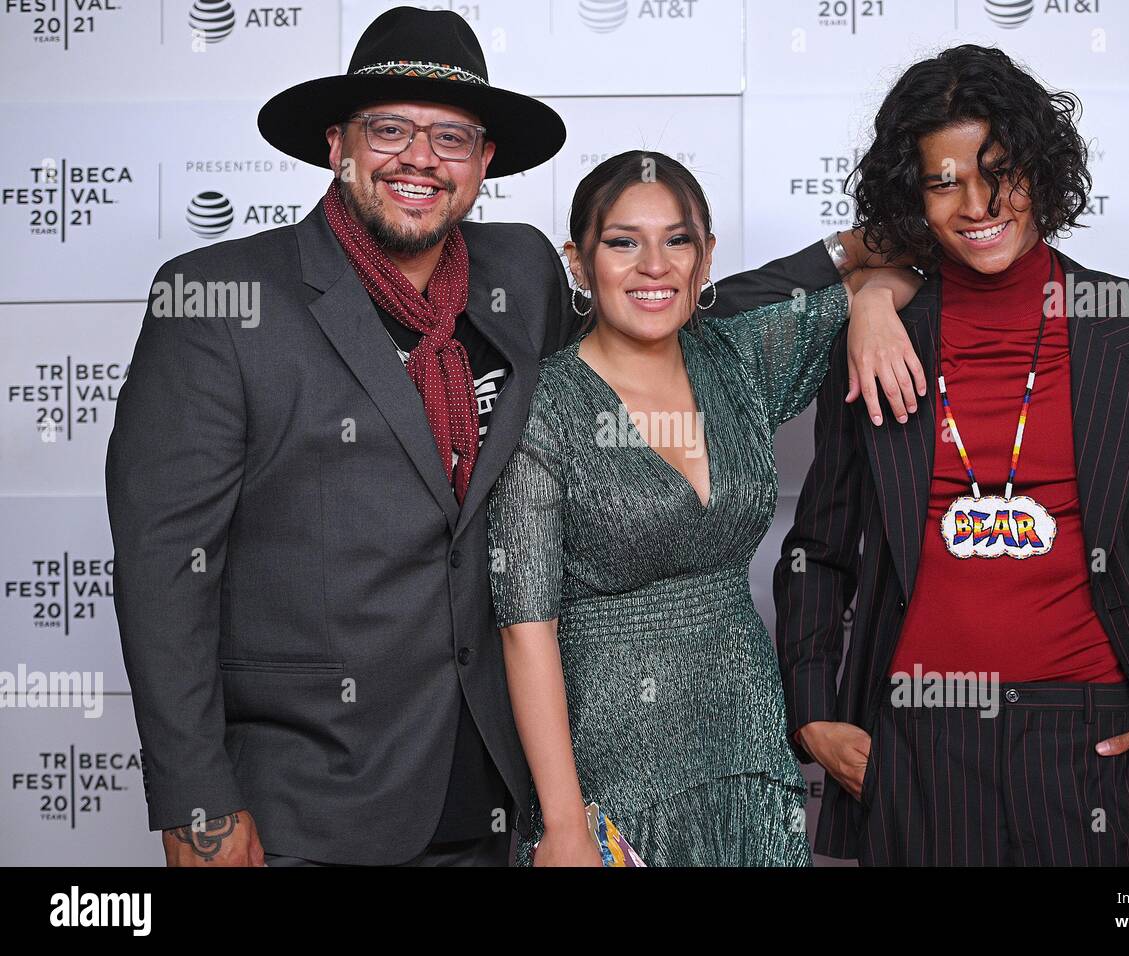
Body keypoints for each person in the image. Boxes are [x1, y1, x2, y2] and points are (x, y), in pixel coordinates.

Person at [105, 7, 919, 866]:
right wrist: (199, 800)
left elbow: (656, 316)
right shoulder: (221, 302)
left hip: (497, 786)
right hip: (310, 799)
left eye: (451, 138)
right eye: (389, 129)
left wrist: (851, 268)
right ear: (336, 145)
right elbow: (164, 569)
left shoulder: (517, 273)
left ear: (484, 161)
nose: (420, 158)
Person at [775, 45, 1129, 867]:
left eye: (999, 171)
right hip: (917, 741)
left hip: (1097, 742)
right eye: (943, 181)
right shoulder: (880, 339)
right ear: (912, 195)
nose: (977, 204)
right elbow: (818, 550)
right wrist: (815, 711)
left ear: (1041, 168)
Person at [485, 151, 916, 866]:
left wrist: (867, 304)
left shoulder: (739, 357)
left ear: (706, 257)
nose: (654, 264)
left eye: (677, 239)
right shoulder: (544, 408)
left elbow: (898, 275)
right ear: (578, 262)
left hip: (748, 749)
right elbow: (525, 629)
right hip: (609, 771)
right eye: (623, 242)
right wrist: (564, 824)